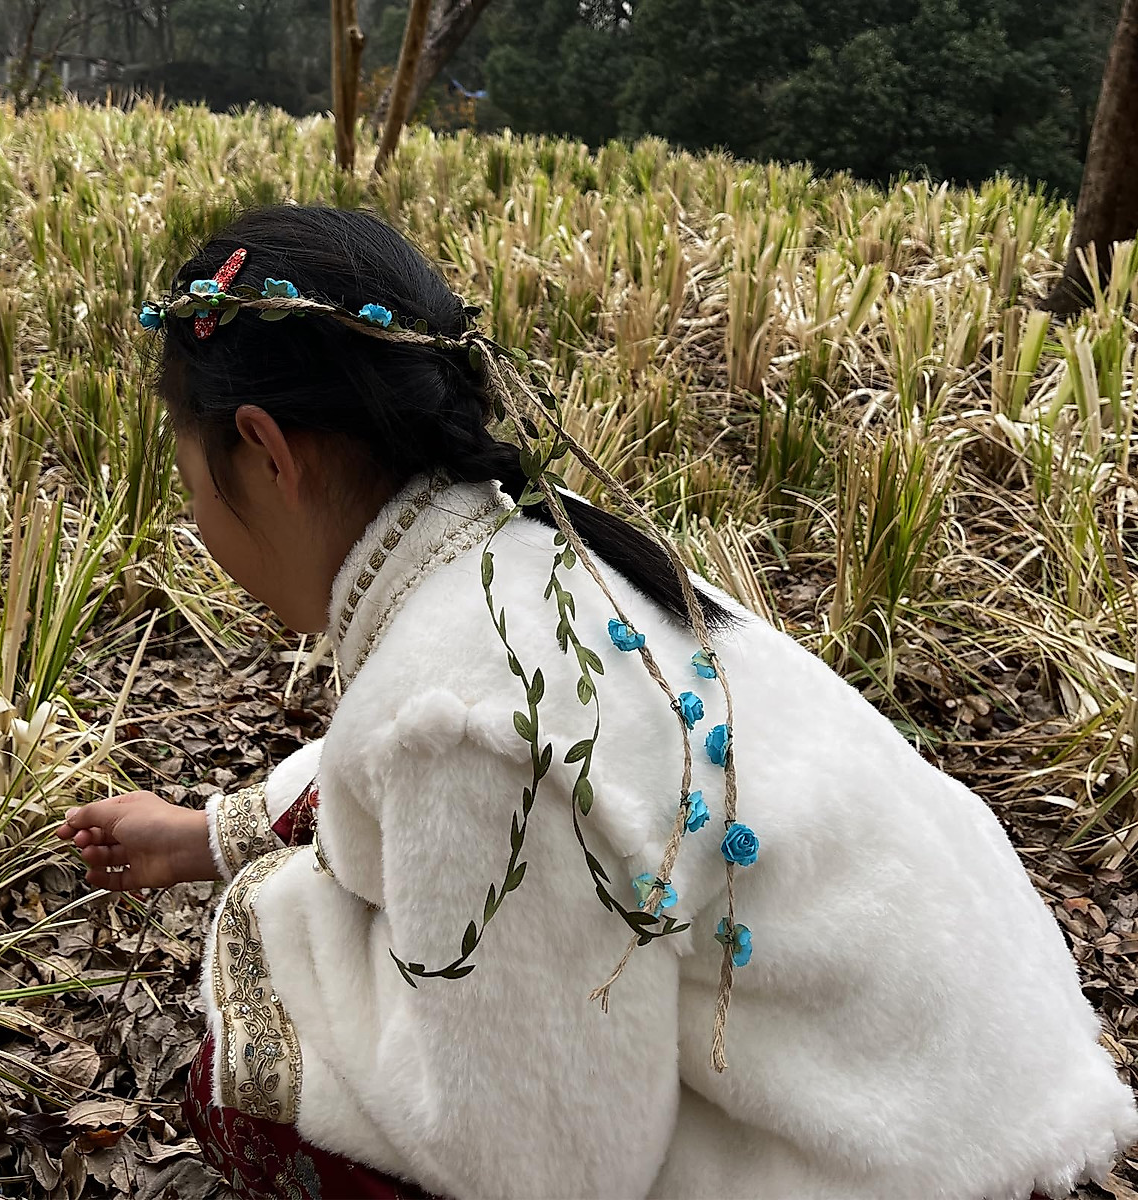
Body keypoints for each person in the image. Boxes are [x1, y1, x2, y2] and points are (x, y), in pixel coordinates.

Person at [56, 205, 1138, 1200]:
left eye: (191, 484)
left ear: (264, 451)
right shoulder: (532, 537)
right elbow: (407, 762)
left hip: (899, 1161)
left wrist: (278, 930)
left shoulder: (465, 714)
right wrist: (212, 835)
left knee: (254, 1051)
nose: (198, 521)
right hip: (985, 1063)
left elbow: (545, 1165)